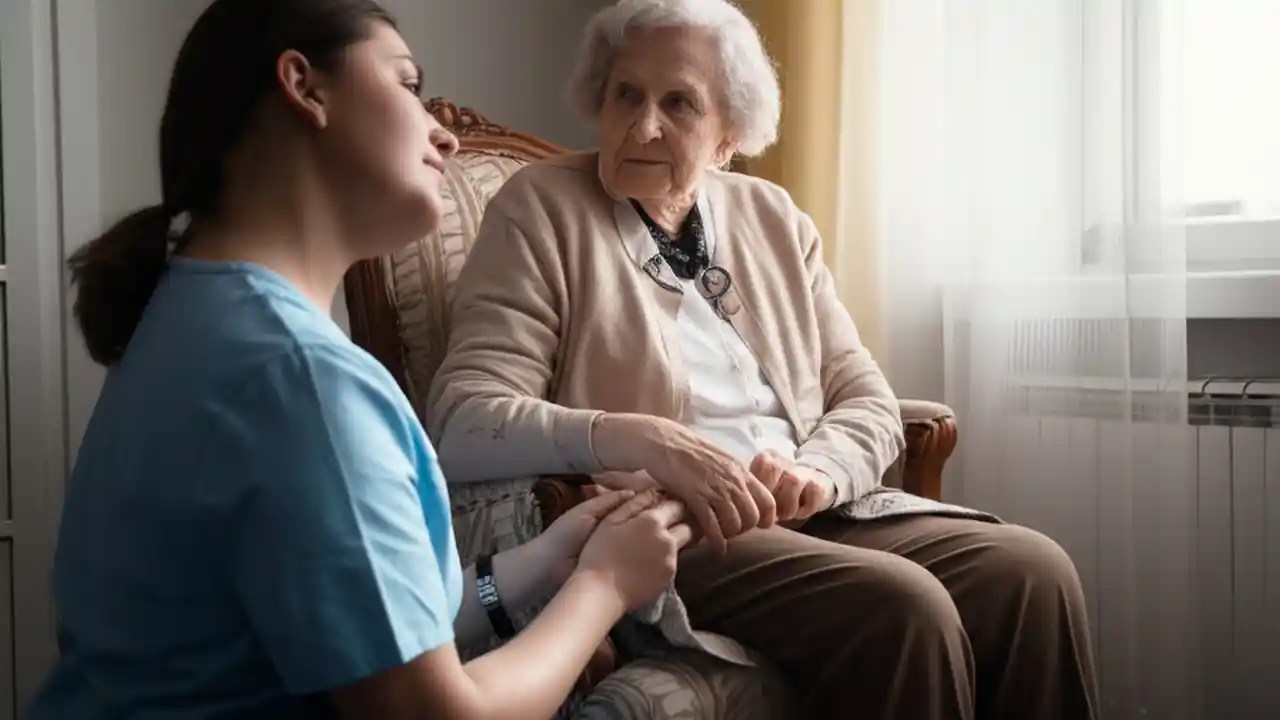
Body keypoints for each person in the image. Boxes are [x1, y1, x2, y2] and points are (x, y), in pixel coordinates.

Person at [427, 0, 1101, 717]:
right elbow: (463, 418)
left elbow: (864, 398)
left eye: (678, 102)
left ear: (729, 138)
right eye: (626, 93)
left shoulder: (773, 217)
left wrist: (815, 473)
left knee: (1032, 572)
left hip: (809, 509)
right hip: (675, 526)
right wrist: (642, 438)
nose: (641, 124)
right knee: (907, 609)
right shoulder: (540, 209)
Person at [24, 1, 692, 718]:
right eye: (406, 84)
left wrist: (542, 565)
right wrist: (605, 589)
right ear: (305, 88)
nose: (446, 134)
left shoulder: (192, 321)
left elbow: (373, 629)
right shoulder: (300, 380)